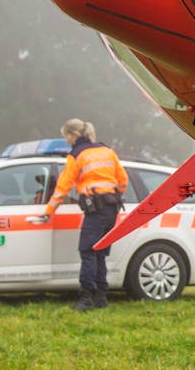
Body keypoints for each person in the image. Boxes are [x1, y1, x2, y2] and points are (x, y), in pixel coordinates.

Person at [36, 119, 128, 312]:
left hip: (95, 208)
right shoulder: (107, 151)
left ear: (75, 135)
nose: (67, 141)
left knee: (87, 252)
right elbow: (122, 180)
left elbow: (63, 187)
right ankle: (101, 298)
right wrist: (115, 195)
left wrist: (48, 211)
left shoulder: (77, 155)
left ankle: (86, 299)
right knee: (100, 253)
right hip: (111, 207)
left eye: (67, 136)